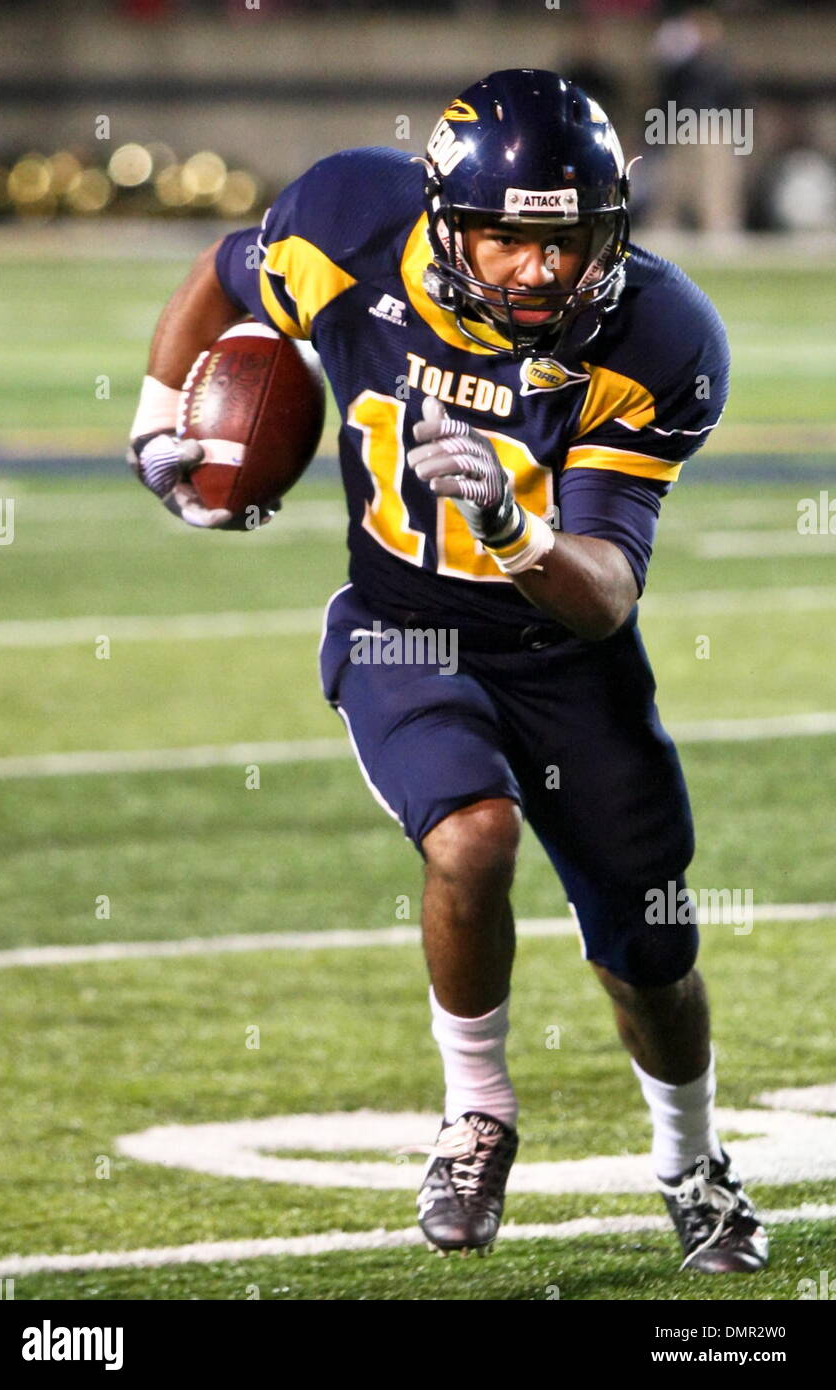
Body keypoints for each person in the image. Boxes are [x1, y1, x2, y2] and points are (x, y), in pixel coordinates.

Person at [127, 69, 767, 1274]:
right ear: (445, 220)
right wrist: (160, 418)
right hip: (400, 625)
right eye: (512, 241)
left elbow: (607, 591)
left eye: (569, 242)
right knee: (471, 834)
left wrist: (520, 537)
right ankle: (477, 1113)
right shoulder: (348, 224)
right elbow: (224, 273)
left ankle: (694, 1166)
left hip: (565, 654)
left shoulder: (658, 336)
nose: (542, 271)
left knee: (656, 954)